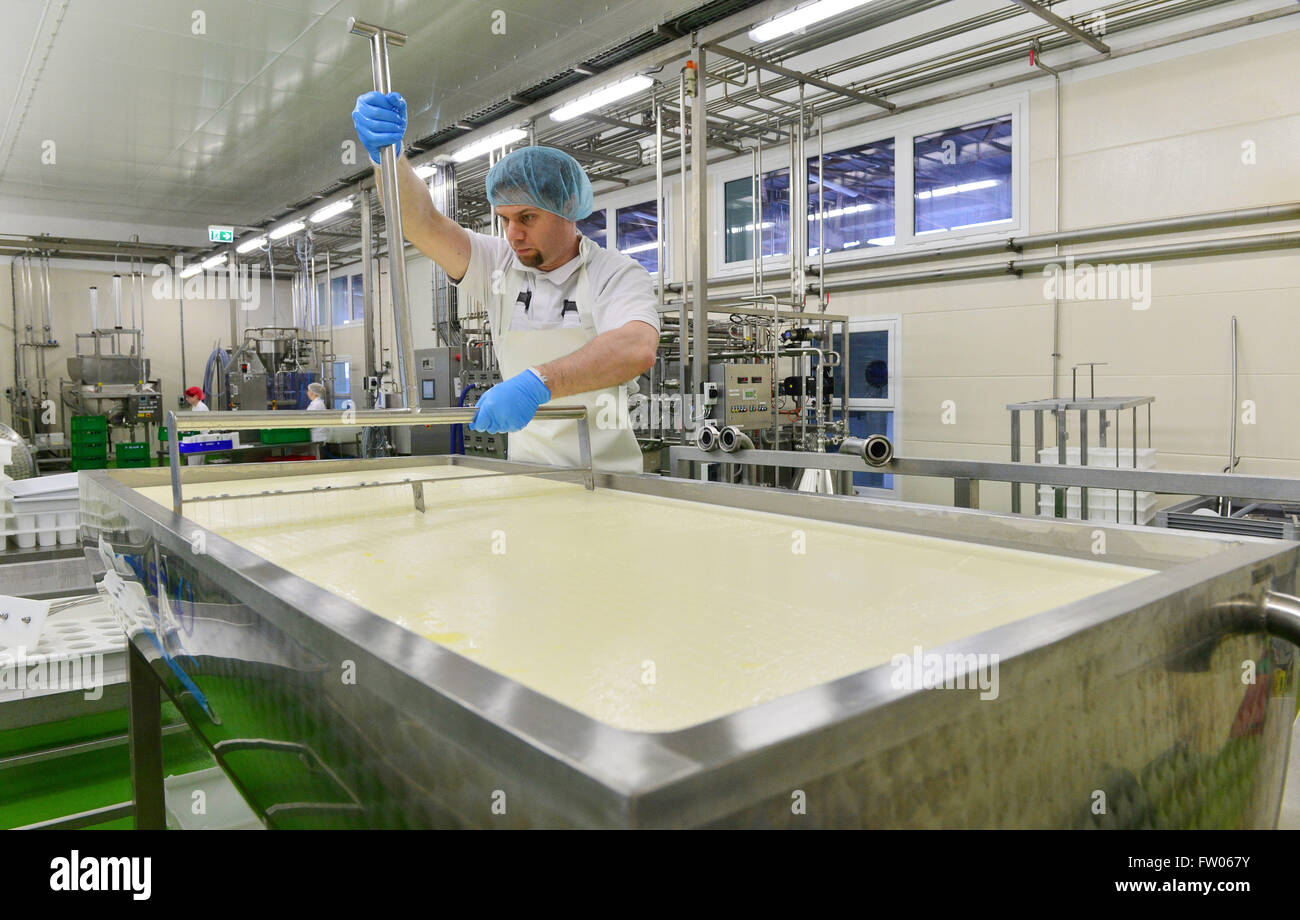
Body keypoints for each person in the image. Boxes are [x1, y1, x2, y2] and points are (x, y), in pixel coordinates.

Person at [352, 91, 659, 473]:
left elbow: (635, 348)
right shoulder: (498, 264)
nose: (513, 234)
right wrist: (389, 160)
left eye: (527, 218)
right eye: (504, 219)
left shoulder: (613, 273)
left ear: (567, 209)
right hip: (526, 477)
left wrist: (538, 383)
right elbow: (421, 223)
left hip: (610, 482)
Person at [306, 381, 328, 453]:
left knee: (317, 456)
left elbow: (310, 420)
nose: (307, 392)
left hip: (318, 436)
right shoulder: (315, 403)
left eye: (309, 390)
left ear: (314, 393)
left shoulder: (317, 405)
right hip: (316, 435)